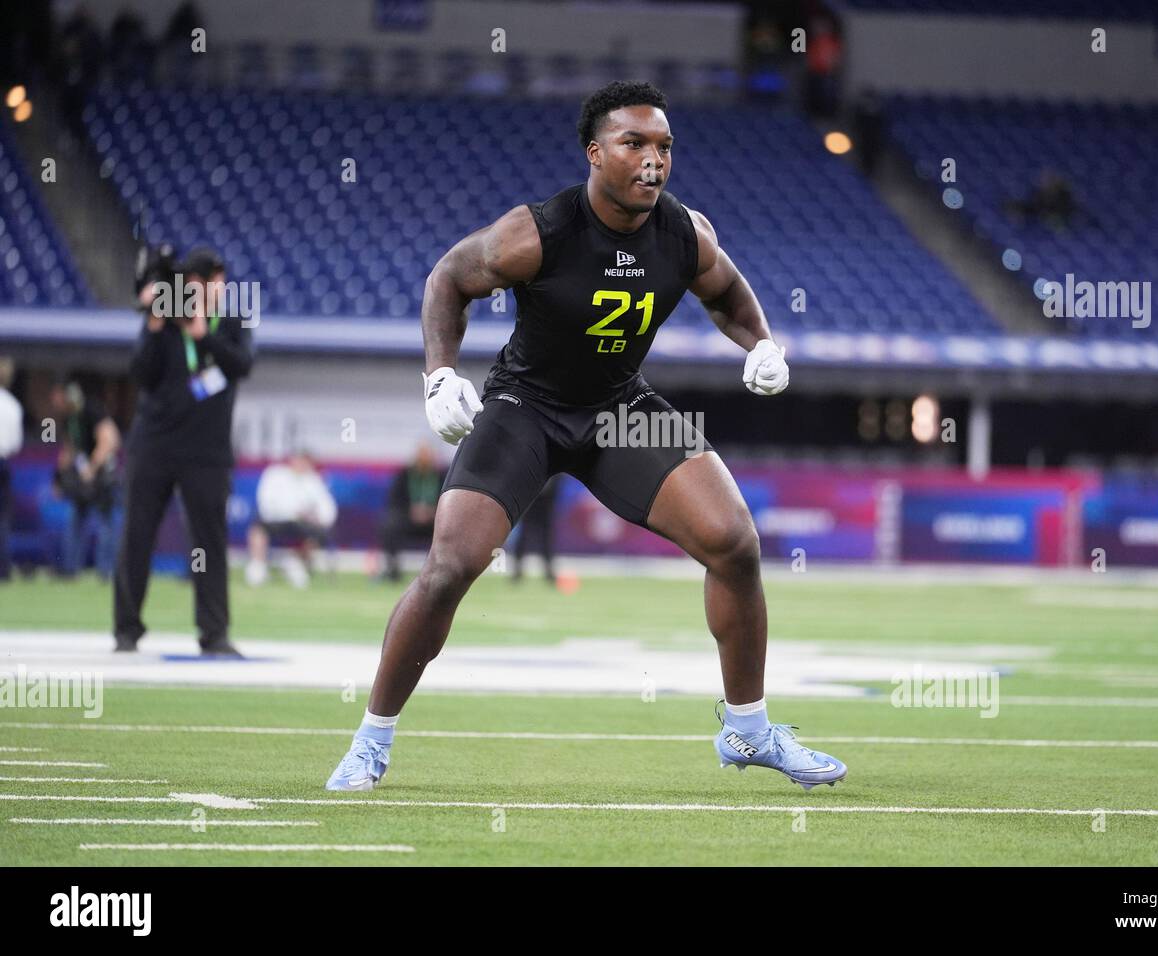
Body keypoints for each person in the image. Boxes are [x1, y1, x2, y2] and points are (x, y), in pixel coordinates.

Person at [327, 81, 846, 792]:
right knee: (451, 564)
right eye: (635, 144)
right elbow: (448, 277)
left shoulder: (683, 233)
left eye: (664, 146)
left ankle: (749, 730)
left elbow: (725, 291)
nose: (653, 160)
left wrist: (760, 344)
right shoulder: (538, 231)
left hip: (618, 406)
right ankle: (371, 740)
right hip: (526, 406)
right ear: (595, 153)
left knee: (736, 542)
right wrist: (440, 376)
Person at [113, 247, 253, 656]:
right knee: (136, 537)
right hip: (153, 444)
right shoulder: (164, 319)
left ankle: (214, 633)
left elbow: (242, 364)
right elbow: (141, 374)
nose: (215, 290)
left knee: (209, 544)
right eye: (209, 283)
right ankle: (126, 630)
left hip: (206, 450)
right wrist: (156, 325)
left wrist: (202, 335)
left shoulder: (230, 319)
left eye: (216, 284)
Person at [49, 380, 122, 579]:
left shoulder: (92, 410)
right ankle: (70, 569)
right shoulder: (69, 418)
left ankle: (106, 572)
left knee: (106, 523)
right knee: (75, 520)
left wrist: (92, 467)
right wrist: (57, 479)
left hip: (102, 474)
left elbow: (110, 440)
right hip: (84, 477)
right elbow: (69, 450)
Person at [246, 451, 337, 589]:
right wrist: (294, 511)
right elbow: (265, 502)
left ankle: (294, 562)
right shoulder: (274, 474)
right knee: (258, 528)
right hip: (275, 518)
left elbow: (327, 509)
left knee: (318, 533)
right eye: (300, 461)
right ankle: (258, 566)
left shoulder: (313, 480)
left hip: (300, 524)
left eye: (306, 463)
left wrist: (317, 518)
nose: (302, 465)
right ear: (292, 460)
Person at [379, 442, 442, 582]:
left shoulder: (441, 475)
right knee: (389, 524)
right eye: (421, 456)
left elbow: (449, 500)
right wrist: (411, 510)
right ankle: (392, 569)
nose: (424, 460)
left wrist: (432, 512)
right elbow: (394, 501)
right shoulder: (404, 475)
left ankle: (438, 572)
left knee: (449, 526)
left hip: (434, 521)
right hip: (409, 519)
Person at [511, 475, 558, 584]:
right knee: (526, 535)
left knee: (545, 536)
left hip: (545, 500)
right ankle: (517, 570)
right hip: (531, 498)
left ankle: (548, 571)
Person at [0, 357, 22, 582]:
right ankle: (3, 570)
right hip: (4, 463)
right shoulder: (13, 406)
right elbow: (16, 443)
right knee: (3, 519)